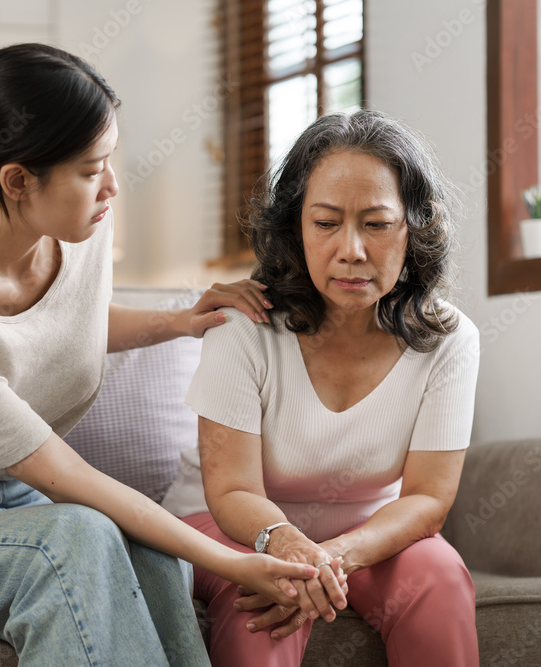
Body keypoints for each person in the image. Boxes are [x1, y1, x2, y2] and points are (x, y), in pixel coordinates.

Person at [0, 43, 328, 666]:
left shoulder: (79, 223)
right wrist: (235, 561)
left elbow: (58, 325)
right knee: (76, 534)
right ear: (18, 181)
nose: (112, 185)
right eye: (92, 169)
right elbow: (67, 479)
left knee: (152, 549)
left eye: (109, 158)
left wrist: (179, 321)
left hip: (11, 501)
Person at [161, 109, 481, 665]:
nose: (351, 250)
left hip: (365, 531)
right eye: (326, 222)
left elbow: (428, 499)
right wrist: (287, 547)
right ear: (295, 229)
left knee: (440, 576)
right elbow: (233, 489)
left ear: (416, 228)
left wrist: (332, 556)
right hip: (233, 524)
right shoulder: (243, 326)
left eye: (377, 224)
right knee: (261, 601)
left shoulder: (449, 339)